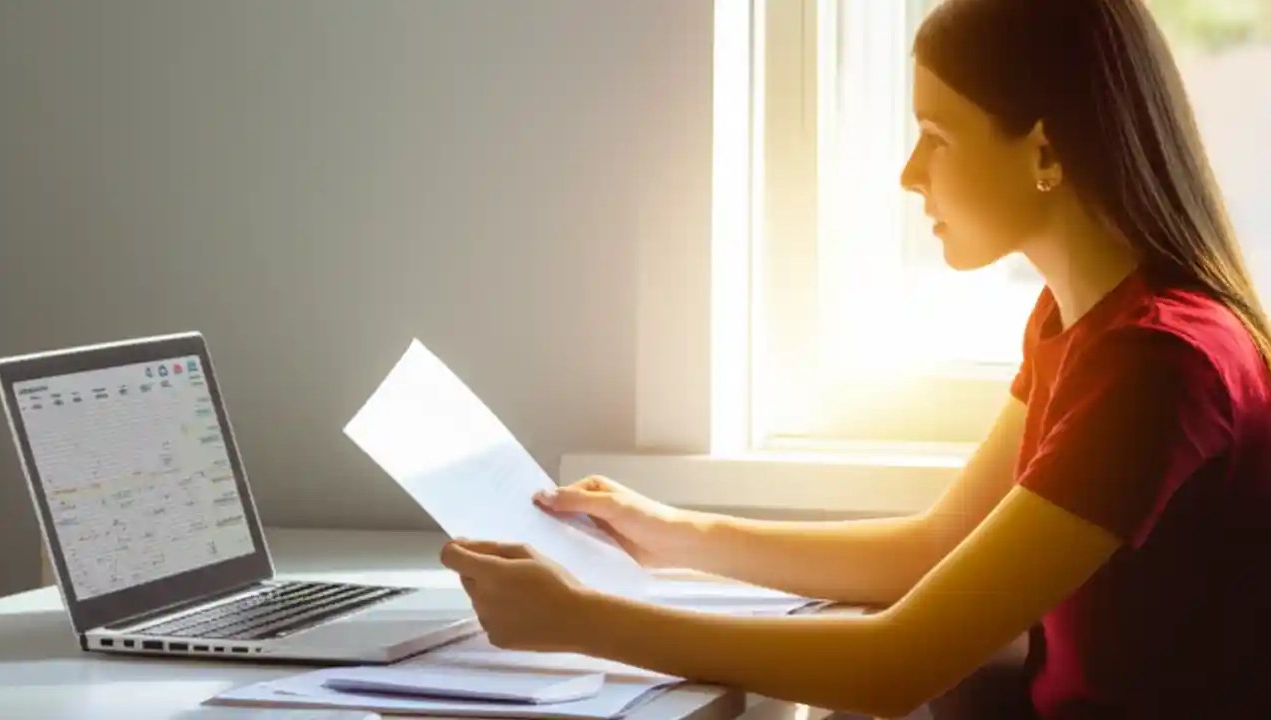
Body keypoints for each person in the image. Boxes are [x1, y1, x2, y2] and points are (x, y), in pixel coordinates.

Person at [441, 0, 1271, 717]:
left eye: (936, 137)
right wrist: (672, 534)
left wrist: (585, 621)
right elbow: (938, 544)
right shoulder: (1074, 320)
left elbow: (897, 665)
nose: (911, 175)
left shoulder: (1159, 364)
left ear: (1047, 155)